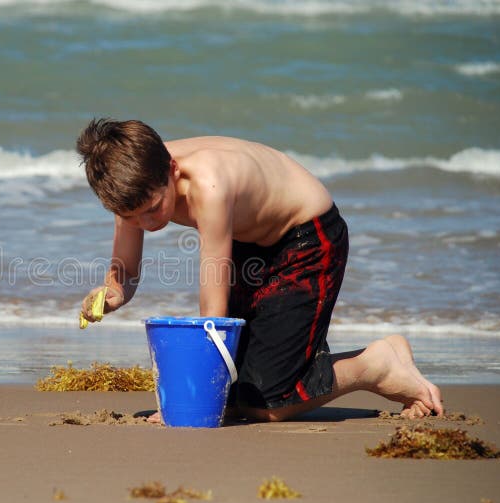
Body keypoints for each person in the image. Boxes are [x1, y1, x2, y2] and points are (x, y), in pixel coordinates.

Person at [76, 118, 443, 421]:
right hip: (252, 245)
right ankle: (328, 355)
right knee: (236, 389)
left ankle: (375, 366)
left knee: (264, 403)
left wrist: (195, 406)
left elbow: (213, 303)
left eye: (153, 209)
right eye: (130, 216)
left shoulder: (209, 185)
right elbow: (124, 270)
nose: (145, 223)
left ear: (172, 169)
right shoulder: (130, 183)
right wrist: (112, 294)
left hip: (307, 238)